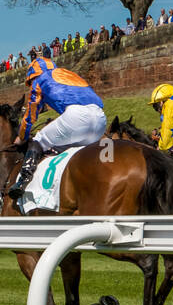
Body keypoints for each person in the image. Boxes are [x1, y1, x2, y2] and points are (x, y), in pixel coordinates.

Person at [7, 54, 107, 199]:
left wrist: (22, 136)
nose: (31, 84)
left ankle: (23, 182)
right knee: (71, 151)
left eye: (30, 81)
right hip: (100, 119)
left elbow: (30, 115)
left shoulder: (39, 80)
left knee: (39, 140)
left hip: (76, 116)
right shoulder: (68, 74)